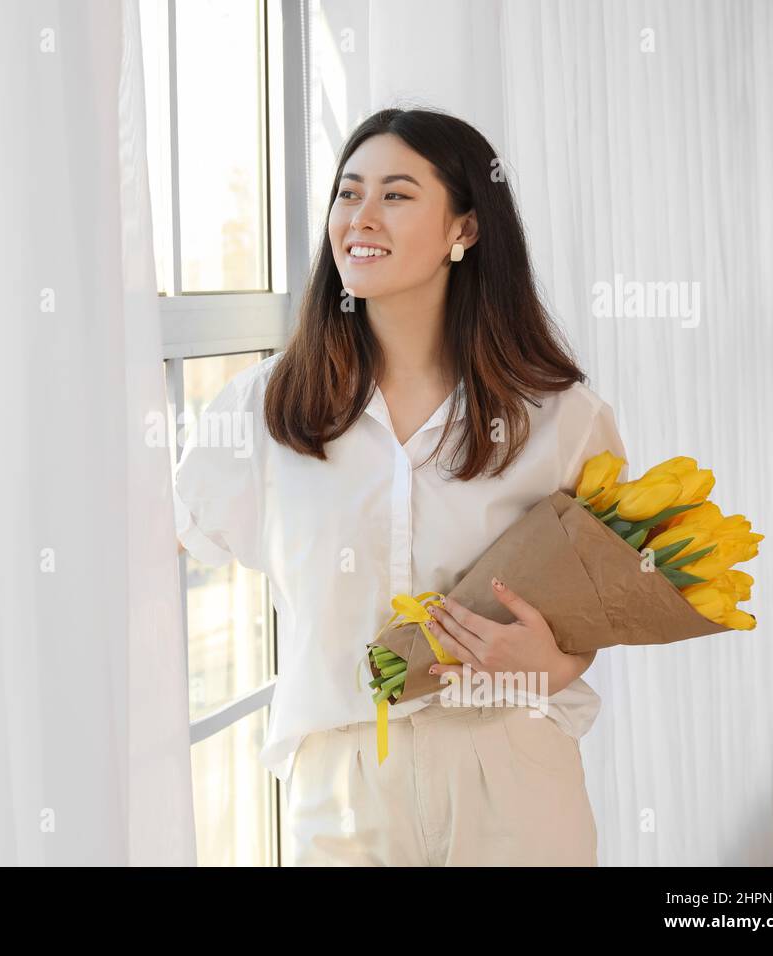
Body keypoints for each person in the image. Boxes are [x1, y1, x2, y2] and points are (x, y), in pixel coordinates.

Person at [173, 107, 627, 866]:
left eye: (396, 194)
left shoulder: (561, 417)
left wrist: (555, 664)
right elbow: (170, 545)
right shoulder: (266, 409)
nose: (361, 216)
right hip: (342, 781)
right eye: (348, 193)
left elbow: (602, 608)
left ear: (466, 230)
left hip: (511, 766)